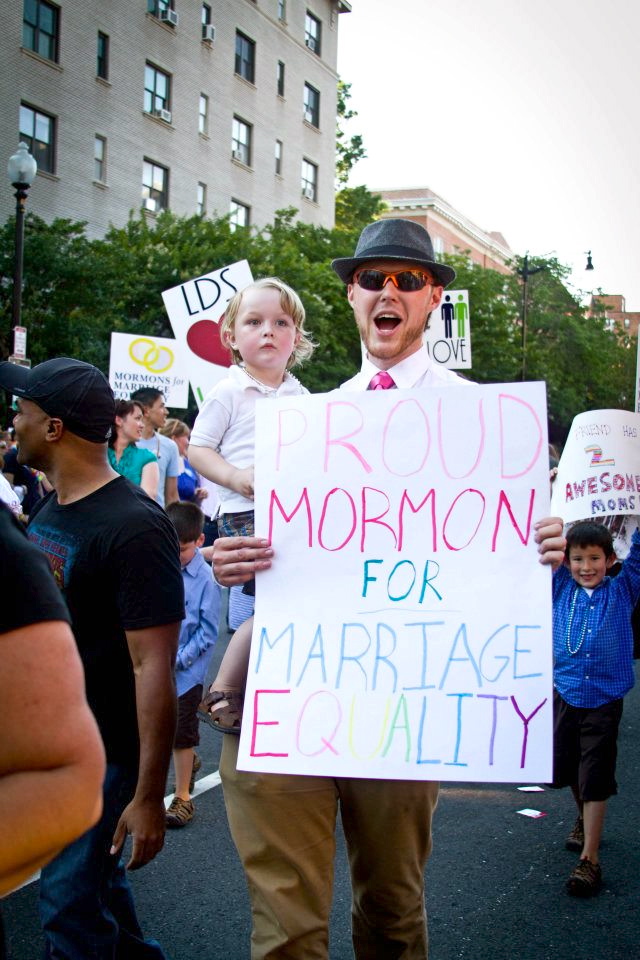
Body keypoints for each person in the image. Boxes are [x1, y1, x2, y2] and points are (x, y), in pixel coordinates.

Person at [206, 219, 568, 959]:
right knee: (285, 934)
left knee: (394, 913)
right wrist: (235, 559)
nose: (389, 291)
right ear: (351, 295)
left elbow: (514, 547)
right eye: (374, 279)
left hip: (405, 713)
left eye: (408, 279)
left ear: (435, 296)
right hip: (293, 691)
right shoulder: (302, 424)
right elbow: (281, 550)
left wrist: (550, 544)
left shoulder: (486, 423)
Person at [0, 357, 184, 959]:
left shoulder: (135, 527)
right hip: (56, 744)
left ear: (53, 428)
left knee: (68, 912)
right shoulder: (54, 509)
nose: (13, 421)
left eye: (21, 411)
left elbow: (153, 666)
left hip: (103, 756)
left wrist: (148, 793)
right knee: (96, 898)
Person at [188, 277, 315, 732]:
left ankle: (269, 695)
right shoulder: (228, 392)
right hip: (246, 513)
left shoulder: (302, 397)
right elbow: (198, 449)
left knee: (291, 604)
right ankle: (224, 688)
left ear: (295, 338)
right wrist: (236, 477)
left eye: (281, 322)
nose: (268, 331)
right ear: (232, 336)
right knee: (267, 605)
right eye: (254, 321)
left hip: (293, 516)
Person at [0, 503, 105, 959]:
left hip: (109, 727)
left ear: (55, 426)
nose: (16, 425)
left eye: (21, 421)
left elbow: (65, 779)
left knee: (74, 895)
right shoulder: (44, 513)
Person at [551, 519, 640, 897]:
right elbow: (546, 546)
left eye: (594, 558)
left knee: (595, 772)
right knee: (569, 764)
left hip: (605, 697)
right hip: (565, 690)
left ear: (610, 559)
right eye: (578, 559)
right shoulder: (559, 589)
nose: (586, 567)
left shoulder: (623, 591)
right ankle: (584, 818)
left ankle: (590, 860)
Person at [163, 500, 220, 827]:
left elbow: (208, 634)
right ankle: (190, 762)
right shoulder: (163, 566)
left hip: (186, 672)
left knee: (182, 733)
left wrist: (178, 660)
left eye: (182, 549)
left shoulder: (206, 581)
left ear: (199, 541)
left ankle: (182, 797)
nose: (176, 555)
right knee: (161, 727)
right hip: (160, 665)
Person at [130, 387, 180, 508]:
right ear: (146, 411)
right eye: (161, 406)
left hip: (156, 521)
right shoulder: (123, 442)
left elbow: (172, 495)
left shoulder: (170, 446)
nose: (166, 412)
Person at [108, 398, 159, 499]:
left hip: (133, 514)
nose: (142, 425)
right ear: (119, 420)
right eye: (137, 418)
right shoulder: (98, 454)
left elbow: (148, 499)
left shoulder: (147, 457)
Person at [160, 417, 208, 504]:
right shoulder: (161, 462)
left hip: (187, 515)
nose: (188, 442)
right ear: (174, 439)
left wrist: (198, 494)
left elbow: (192, 489)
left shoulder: (187, 463)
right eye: (186, 437)